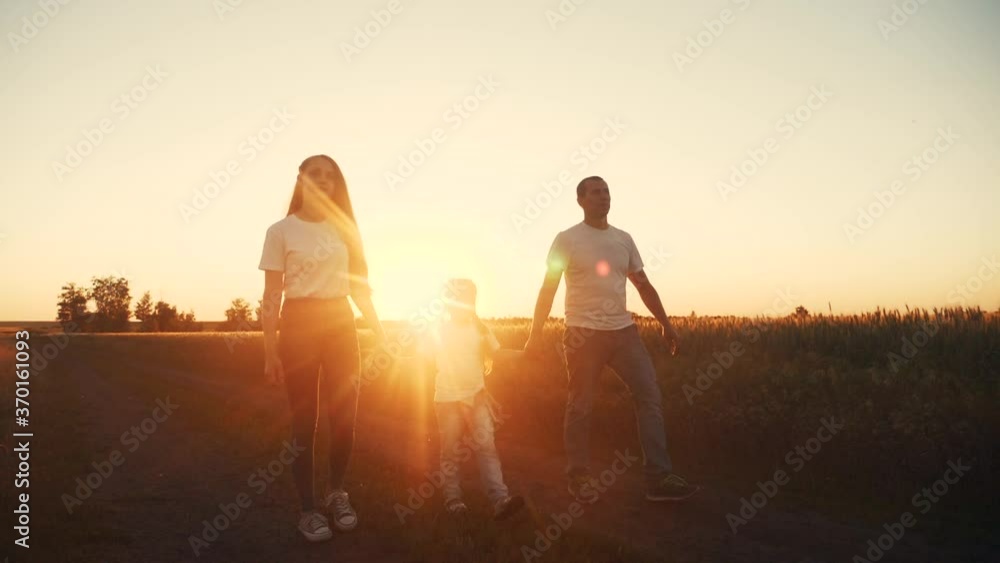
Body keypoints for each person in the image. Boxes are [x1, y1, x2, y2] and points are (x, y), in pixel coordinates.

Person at [523, 176, 699, 503]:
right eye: (596, 192)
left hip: (624, 332)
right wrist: (535, 334)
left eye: (606, 191)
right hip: (583, 334)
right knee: (581, 404)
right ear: (581, 200)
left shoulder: (623, 239)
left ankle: (658, 478)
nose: (603, 196)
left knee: (649, 395)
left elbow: (643, 284)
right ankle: (579, 476)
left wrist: (666, 323)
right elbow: (548, 288)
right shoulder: (567, 239)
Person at [258, 154, 387, 542]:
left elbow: (360, 289)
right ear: (301, 180)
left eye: (330, 175)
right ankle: (308, 510)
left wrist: (380, 333)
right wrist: (270, 350)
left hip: (340, 324)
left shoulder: (346, 230)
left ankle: (336, 493)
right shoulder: (280, 231)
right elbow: (272, 294)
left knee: (345, 418)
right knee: (305, 422)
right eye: (315, 173)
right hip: (298, 325)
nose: (323, 179)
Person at [422, 279, 525, 520]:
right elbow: (423, 360)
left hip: (477, 397)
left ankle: (500, 500)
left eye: (468, 299)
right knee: (450, 451)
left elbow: (498, 353)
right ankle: (453, 500)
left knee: (487, 447)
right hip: (447, 399)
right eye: (458, 299)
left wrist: (525, 353)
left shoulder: (480, 329)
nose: (463, 304)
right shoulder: (437, 329)